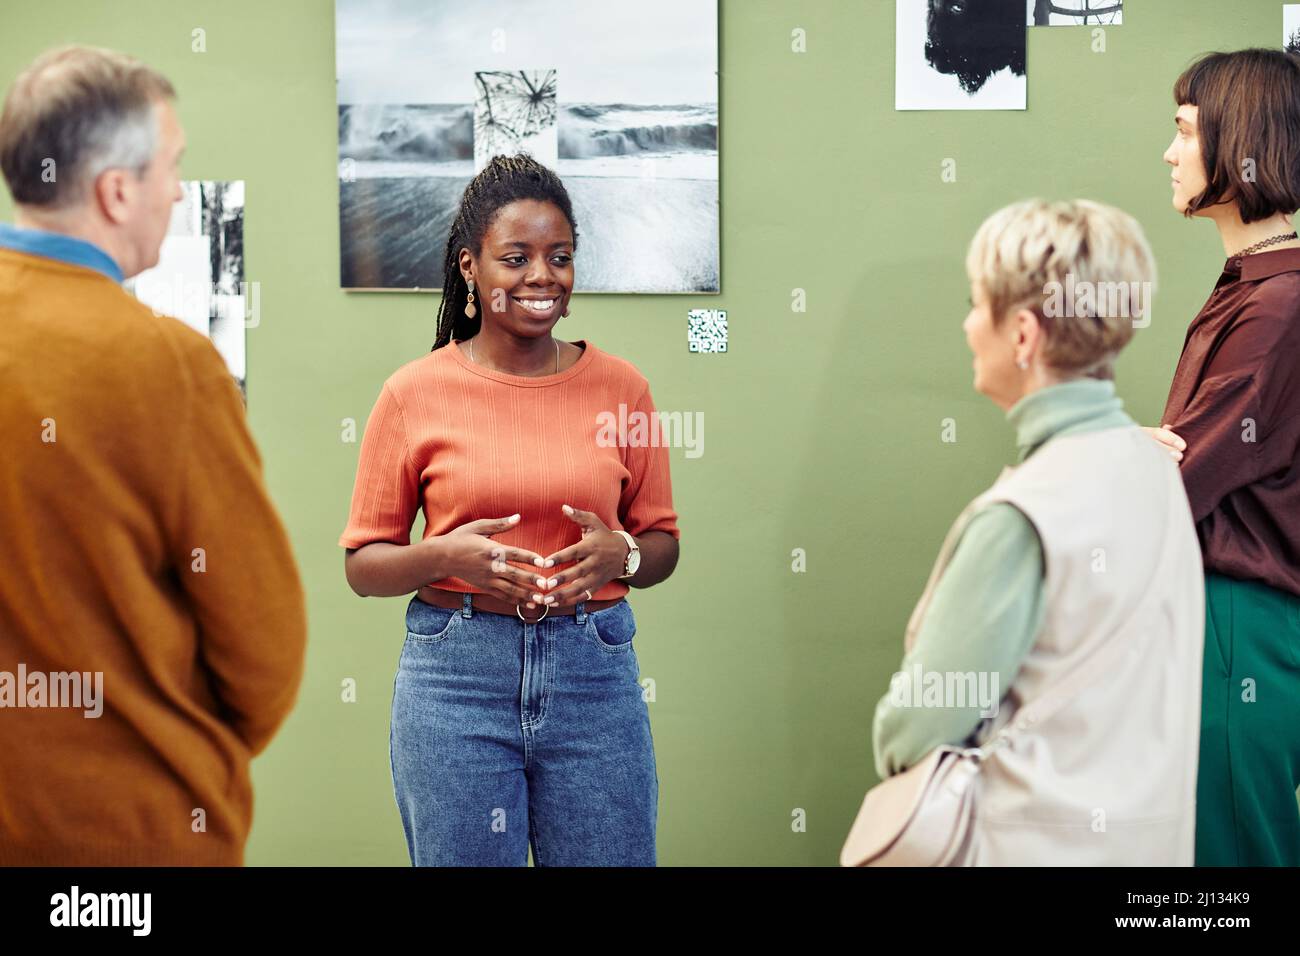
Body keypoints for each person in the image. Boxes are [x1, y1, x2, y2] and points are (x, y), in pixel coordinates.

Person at [0, 45, 306, 865]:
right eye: (172, 166)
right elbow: (264, 650)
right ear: (115, 190)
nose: (176, 190)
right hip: (126, 837)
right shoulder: (165, 362)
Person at [340, 154, 681, 866]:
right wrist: (444, 556)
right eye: (516, 257)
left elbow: (662, 546)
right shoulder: (412, 394)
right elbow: (364, 565)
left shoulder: (625, 390)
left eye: (559, 257)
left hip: (595, 671)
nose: (541, 277)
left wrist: (623, 553)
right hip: (454, 679)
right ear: (471, 267)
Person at [871, 199, 1203, 865]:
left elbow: (911, 735)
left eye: (974, 304)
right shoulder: (1159, 470)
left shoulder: (1020, 516)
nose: (967, 327)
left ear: (1022, 335)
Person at [1148, 48, 1300, 867]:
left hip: (1238, 625)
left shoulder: (1278, 305)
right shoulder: (1253, 289)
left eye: (1183, 132)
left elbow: (1174, 478)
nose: (1170, 154)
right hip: (1223, 623)